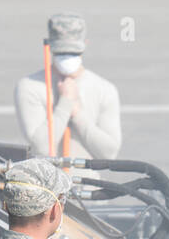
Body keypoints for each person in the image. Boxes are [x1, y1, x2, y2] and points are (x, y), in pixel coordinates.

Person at [14, 13, 122, 160]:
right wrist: (65, 103)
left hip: (88, 182)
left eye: (73, 52)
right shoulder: (29, 87)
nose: (66, 57)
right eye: (61, 52)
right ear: (49, 46)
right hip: (45, 181)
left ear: (86, 44)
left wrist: (77, 115)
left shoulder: (105, 89)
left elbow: (109, 153)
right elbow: (42, 148)